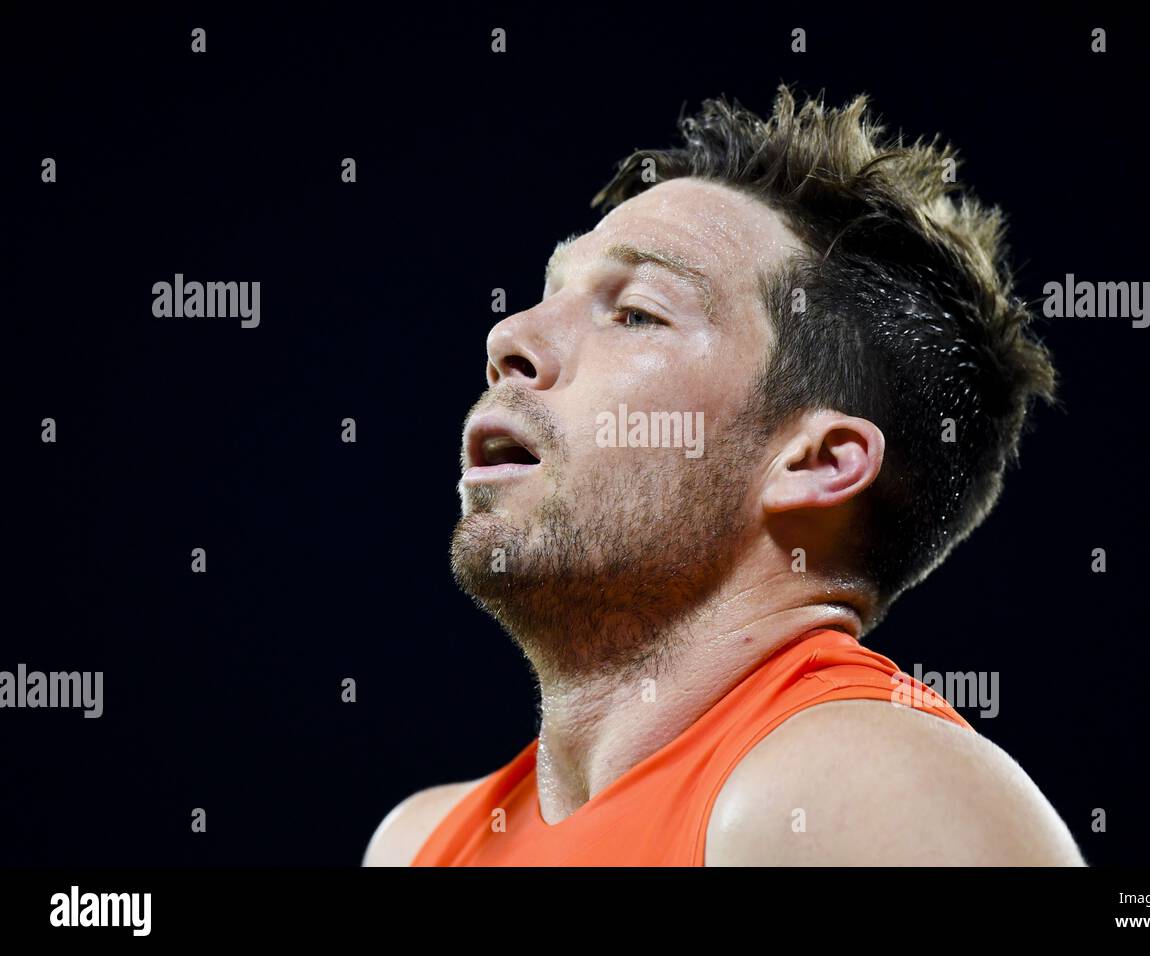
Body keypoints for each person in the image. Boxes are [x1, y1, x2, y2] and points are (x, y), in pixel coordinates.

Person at [365, 85, 1084, 866]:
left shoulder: (859, 790)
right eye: (550, 295)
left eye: (636, 311)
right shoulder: (417, 843)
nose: (509, 337)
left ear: (814, 464)